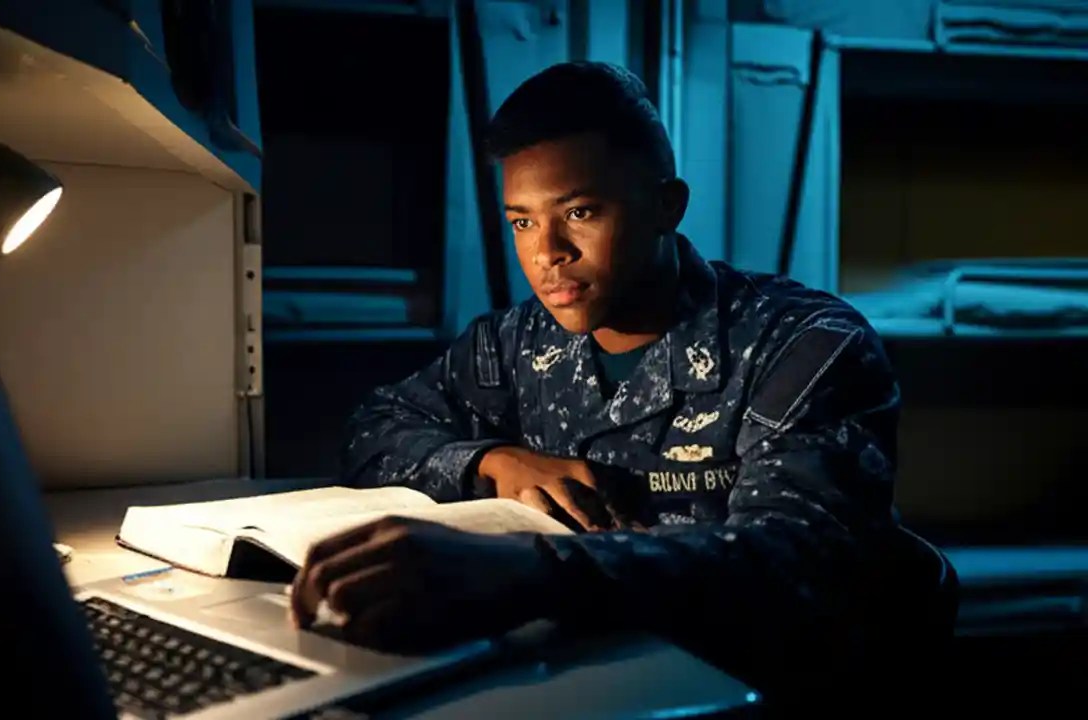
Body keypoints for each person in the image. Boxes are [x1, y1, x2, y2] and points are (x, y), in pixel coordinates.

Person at [290, 62, 955, 708]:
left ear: (667, 206)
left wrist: (527, 570)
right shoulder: (512, 344)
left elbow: (795, 561)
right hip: (592, 680)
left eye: (579, 213)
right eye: (522, 221)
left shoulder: (803, 345)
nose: (547, 253)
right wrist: (491, 463)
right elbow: (374, 428)